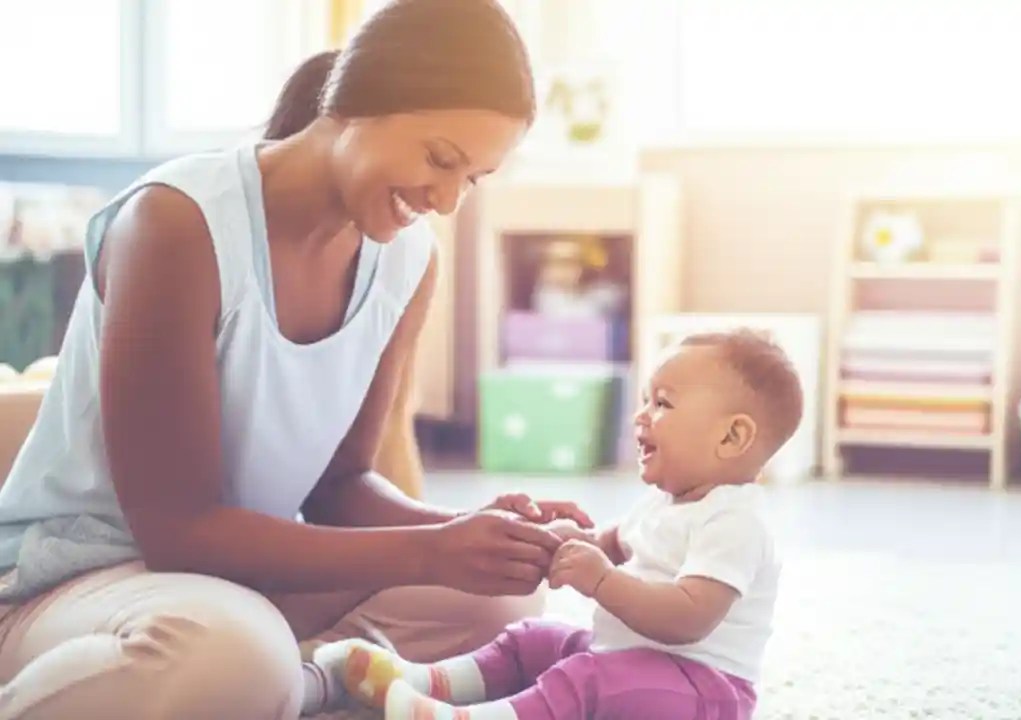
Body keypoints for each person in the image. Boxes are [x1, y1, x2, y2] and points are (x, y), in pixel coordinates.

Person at [0, 2, 585, 718]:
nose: (446, 200)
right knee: (228, 651)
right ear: (363, 100)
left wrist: (475, 535)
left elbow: (340, 486)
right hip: (82, 586)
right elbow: (176, 530)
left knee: (505, 599)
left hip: (240, 584)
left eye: (474, 178)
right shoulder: (178, 222)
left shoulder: (406, 259)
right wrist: (429, 551)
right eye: (440, 159)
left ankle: (284, 691)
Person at [314, 329, 804, 720]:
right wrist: (568, 543)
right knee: (537, 638)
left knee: (588, 679)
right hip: (637, 662)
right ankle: (429, 682)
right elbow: (611, 544)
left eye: (663, 404)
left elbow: (687, 618)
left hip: (700, 691)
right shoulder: (666, 504)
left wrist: (601, 580)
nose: (641, 417)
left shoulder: (735, 523)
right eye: (645, 400)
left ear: (732, 436)